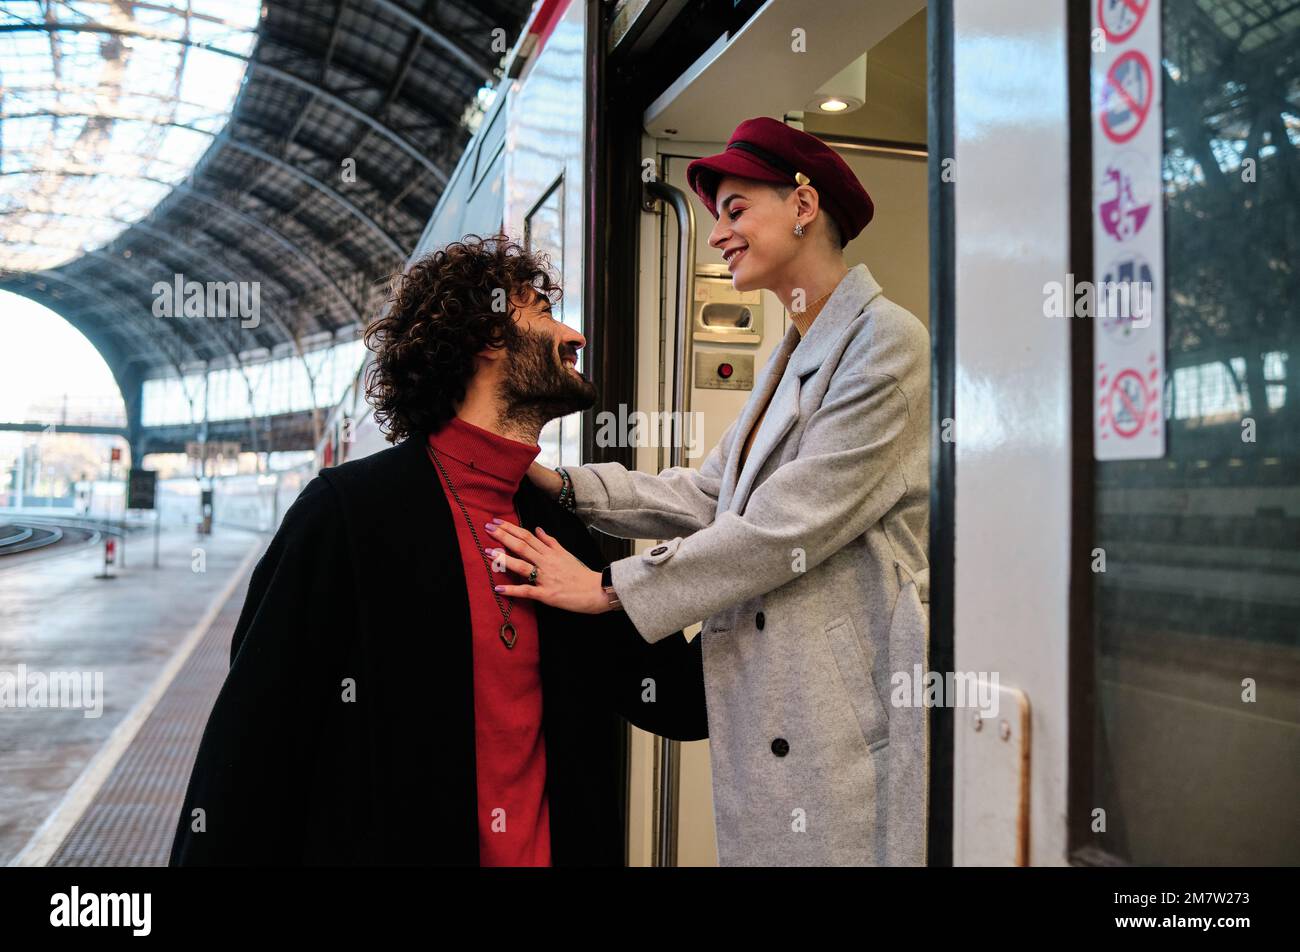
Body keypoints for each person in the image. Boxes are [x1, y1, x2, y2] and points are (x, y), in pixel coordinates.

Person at [168, 236, 707, 867]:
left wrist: (767, 545)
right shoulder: (350, 512)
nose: (574, 336)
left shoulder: (554, 529)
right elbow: (254, 746)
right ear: (485, 337)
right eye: (541, 310)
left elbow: (676, 698)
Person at [488, 117, 931, 866]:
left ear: (802, 205)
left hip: (840, 722)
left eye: (734, 210)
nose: (718, 233)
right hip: (778, 702)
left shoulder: (887, 342)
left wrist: (608, 588)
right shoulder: (790, 354)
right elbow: (707, 493)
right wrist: (562, 485)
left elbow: (784, 527)